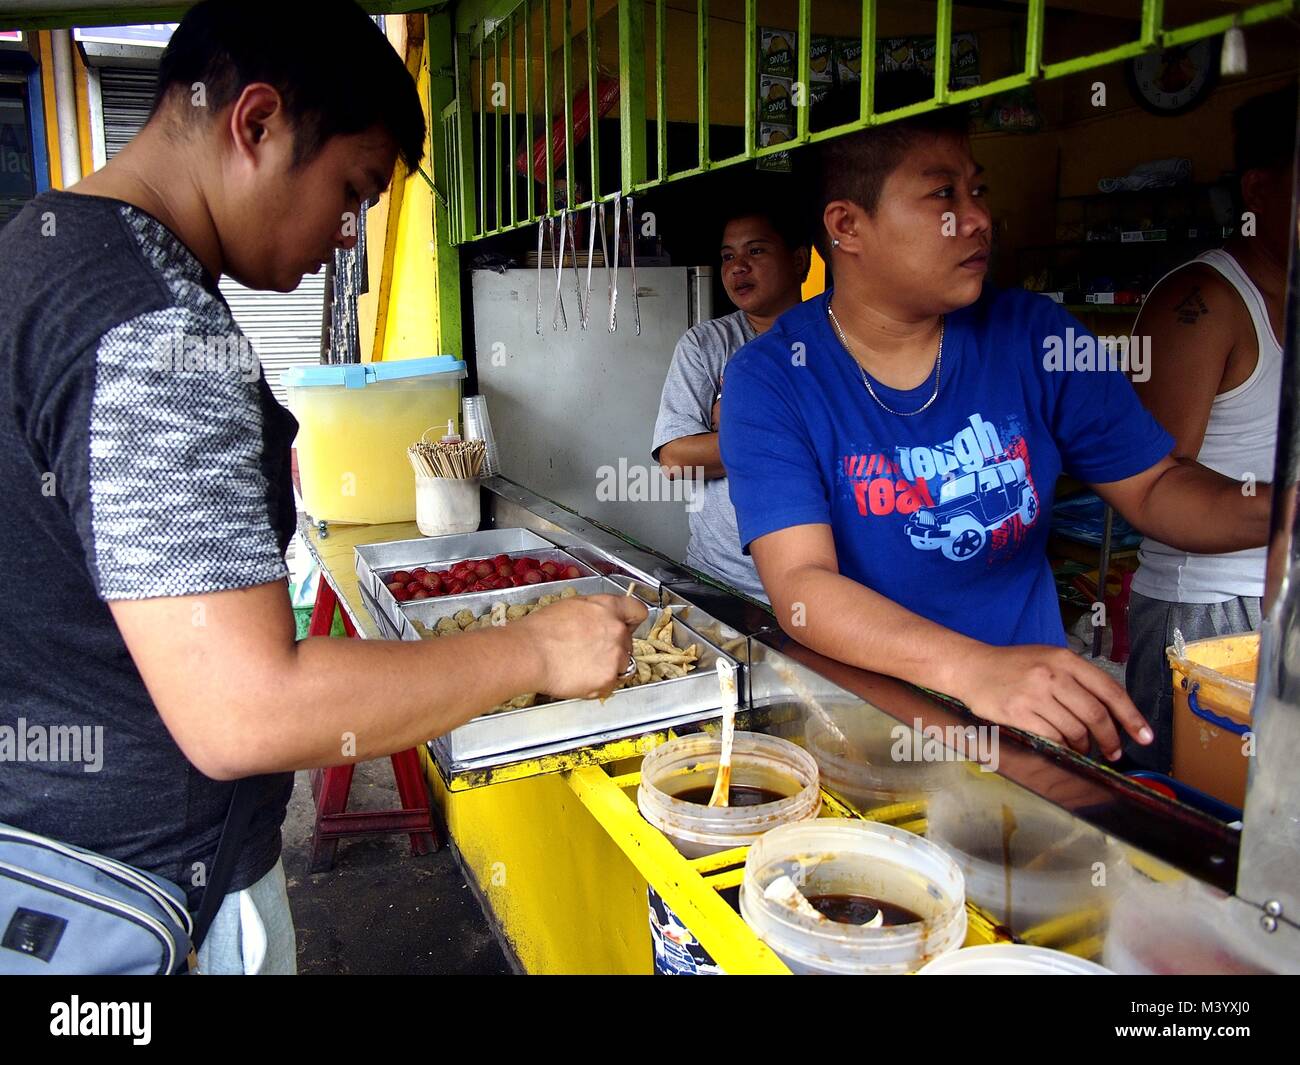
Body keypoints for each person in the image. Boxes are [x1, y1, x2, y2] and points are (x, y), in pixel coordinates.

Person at [0, 0, 644, 975]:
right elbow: (245, 708)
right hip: (143, 903)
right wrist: (536, 648)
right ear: (253, 123)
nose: (349, 238)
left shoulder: (33, 256)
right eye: (351, 191)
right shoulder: (157, 331)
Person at [719, 75, 1271, 763]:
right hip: (864, 731)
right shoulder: (774, 377)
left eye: (976, 189)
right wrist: (970, 669)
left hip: (1031, 722)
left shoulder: (1034, 335)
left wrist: (1274, 510)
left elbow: (1155, 488)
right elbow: (802, 583)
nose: (977, 216)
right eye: (942, 194)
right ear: (847, 226)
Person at [1124, 83, 1295, 772]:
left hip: (1280, 594)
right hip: (1210, 614)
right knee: (1199, 832)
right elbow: (1157, 486)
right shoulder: (1205, 304)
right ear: (1260, 187)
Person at [653, 202, 811, 601]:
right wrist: (805, 436)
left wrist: (731, 431)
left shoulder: (839, 341)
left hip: (823, 585)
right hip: (719, 580)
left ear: (799, 260)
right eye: (727, 256)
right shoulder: (705, 345)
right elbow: (675, 459)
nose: (737, 267)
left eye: (755, 251)